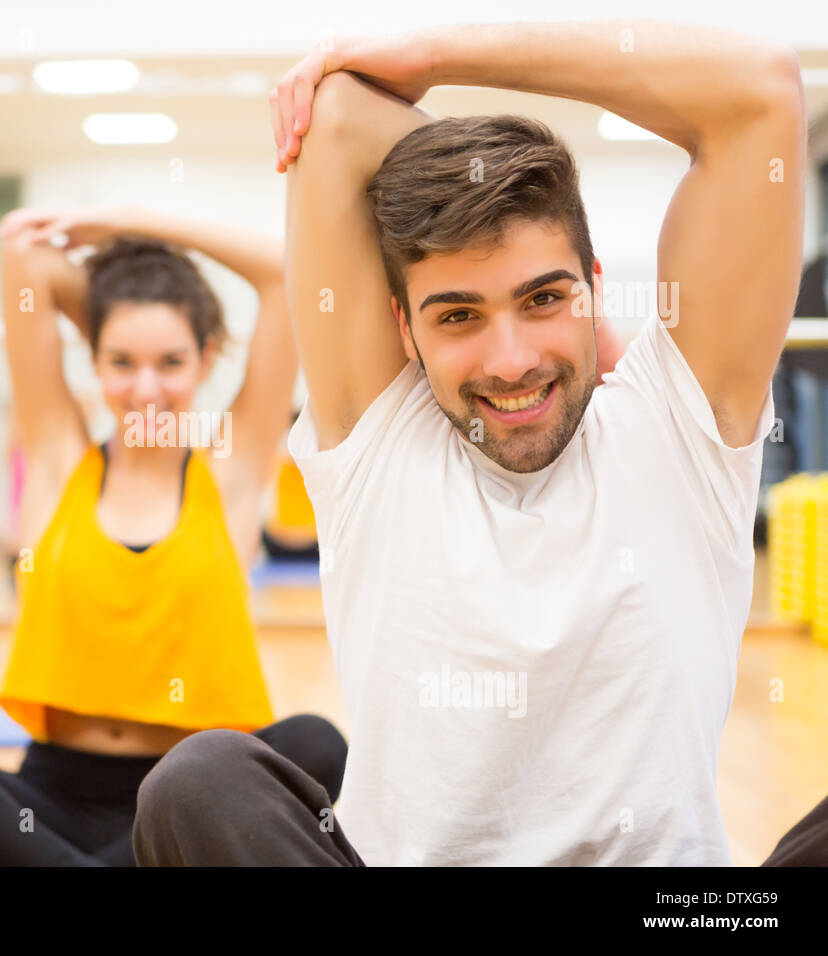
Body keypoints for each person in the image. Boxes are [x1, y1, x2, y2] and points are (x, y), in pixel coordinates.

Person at [133, 21, 815, 865]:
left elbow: (760, 87)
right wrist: (487, 174)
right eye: (458, 315)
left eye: (543, 297)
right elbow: (339, 117)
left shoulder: (679, 423)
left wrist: (433, 60)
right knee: (202, 781)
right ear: (403, 331)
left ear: (593, 290)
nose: (512, 360)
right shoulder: (378, 443)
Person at [0, 206, 348, 865]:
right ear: (94, 360)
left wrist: (128, 224)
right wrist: (127, 279)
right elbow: (21, 253)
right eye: (121, 361)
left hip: (184, 795)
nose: (145, 388)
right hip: (46, 804)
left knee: (316, 743)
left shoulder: (231, 470)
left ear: (206, 358)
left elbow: (282, 277)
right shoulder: (58, 458)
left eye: (170, 361)